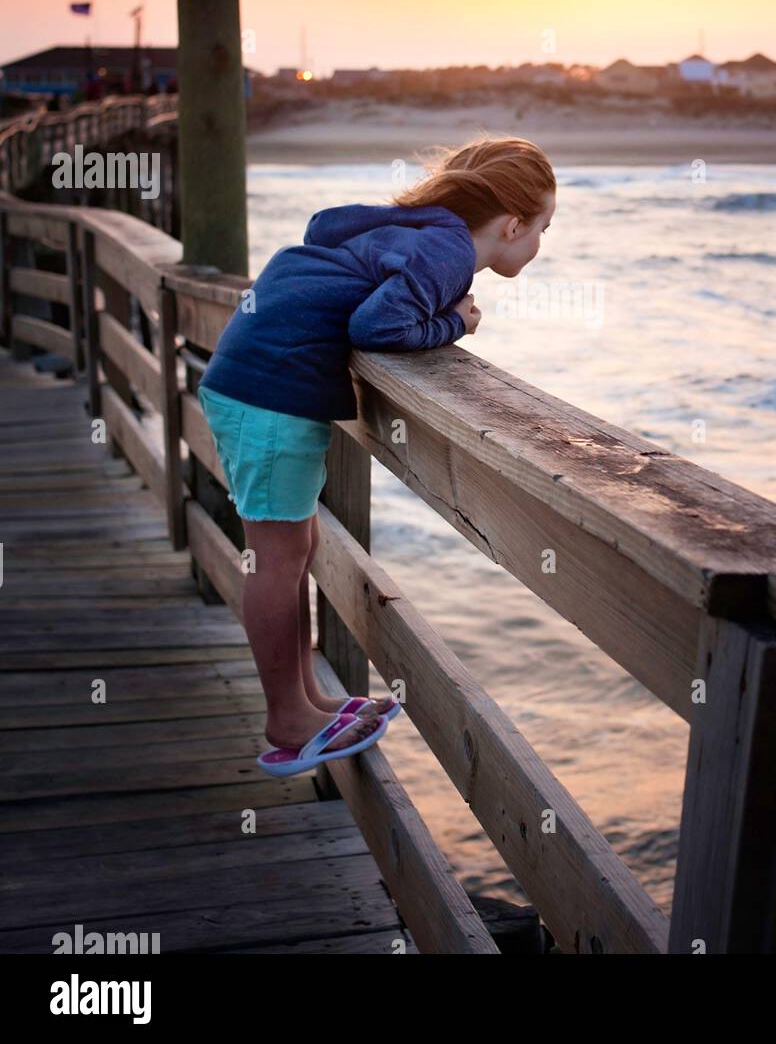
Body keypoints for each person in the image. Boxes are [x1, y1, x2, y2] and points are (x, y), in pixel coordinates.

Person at [197, 135, 556, 776]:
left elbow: (333, 252)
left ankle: (306, 698)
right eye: (542, 229)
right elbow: (376, 327)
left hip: (258, 387)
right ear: (511, 223)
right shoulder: (449, 250)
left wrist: (433, 306)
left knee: (295, 548)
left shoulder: (419, 231)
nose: (539, 245)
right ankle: (286, 715)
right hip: (270, 397)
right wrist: (457, 323)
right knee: (276, 560)